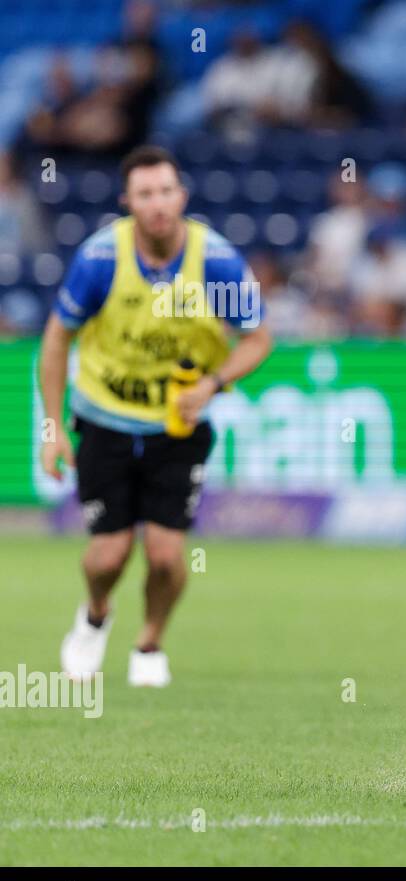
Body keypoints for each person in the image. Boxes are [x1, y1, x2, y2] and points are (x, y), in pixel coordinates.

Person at [38, 145, 273, 687]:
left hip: (179, 424)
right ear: (127, 202)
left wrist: (215, 384)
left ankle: (150, 644)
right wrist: (52, 431)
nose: (158, 203)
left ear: (182, 196)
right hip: (105, 419)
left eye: (166, 191)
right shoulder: (100, 260)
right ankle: (95, 614)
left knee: (167, 556)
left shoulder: (214, 261)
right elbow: (55, 342)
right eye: (145, 194)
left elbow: (258, 338)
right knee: (107, 556)